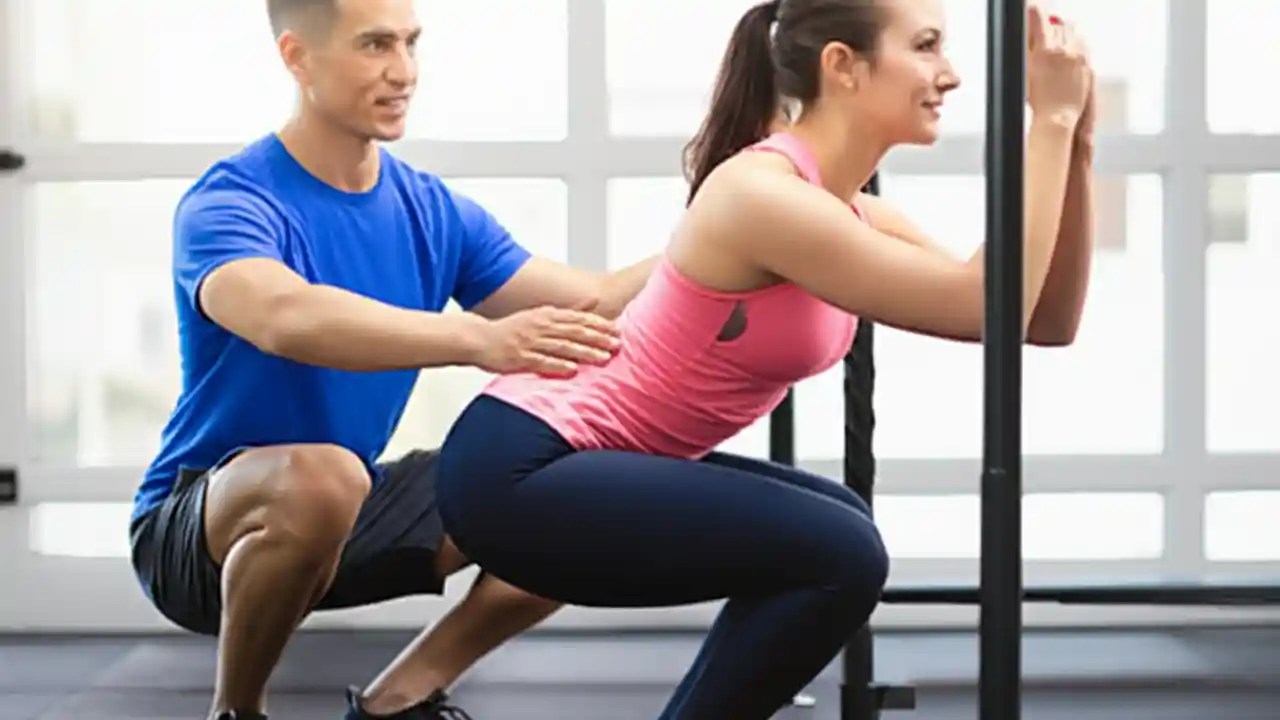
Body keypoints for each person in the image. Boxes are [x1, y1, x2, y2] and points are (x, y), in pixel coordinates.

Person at [434, 0, 1097, 718]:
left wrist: (1079, 144)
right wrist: (1049, 125)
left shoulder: (853, 212)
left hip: (566, 461)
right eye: (928, 46)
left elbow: (1038, 321)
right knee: (841, 551)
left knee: (835, 523)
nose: (953, 75)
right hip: (521, 467)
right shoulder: (761, 196)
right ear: (842, 66)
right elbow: (986, 304)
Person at [125, 1, 661, 719]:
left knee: (576, 489)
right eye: (375, 45)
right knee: (323, 478)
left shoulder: (428, 208)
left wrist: (733, 227)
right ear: (297, 57)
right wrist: (476, 341)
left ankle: (397, 702)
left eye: (410, 44)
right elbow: (286, 317)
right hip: (200, 529)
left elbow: (590, 304)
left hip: (350, 502)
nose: (403, 71)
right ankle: (236, 712)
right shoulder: (231, 201)